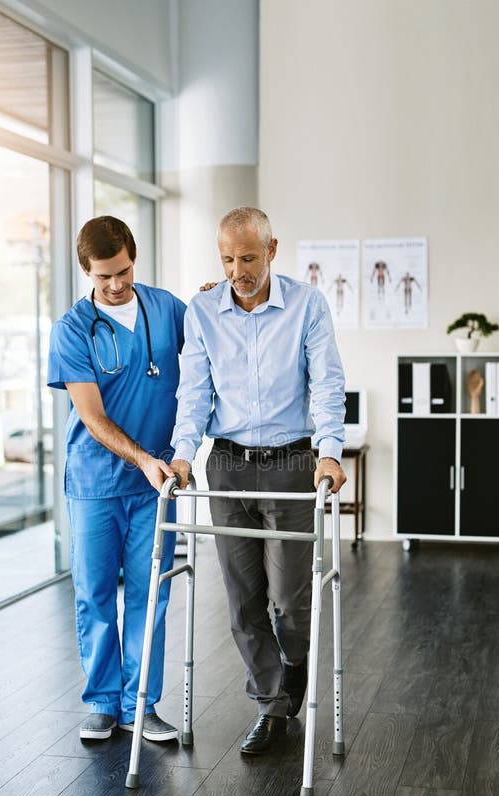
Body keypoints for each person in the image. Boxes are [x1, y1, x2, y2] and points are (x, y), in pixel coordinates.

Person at [170, 207, 346, 755]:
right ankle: (271, 706)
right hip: (226, 464)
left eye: (248, 257)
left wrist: (330, 452)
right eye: (226, 259)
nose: (237, 270)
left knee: (292, 603)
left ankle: (293, 666)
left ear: (272, 249)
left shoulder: (307, 305)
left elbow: (328, 383)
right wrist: (181, 455)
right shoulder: (202, 310)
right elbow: (195, 392)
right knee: (243, 601)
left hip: (292, 463)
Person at [47, 216, 186, 743]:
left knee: (150, 595)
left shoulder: (168, 308)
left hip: (157, 483)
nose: (116, 284)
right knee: (96, 593)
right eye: (104, 276)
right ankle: (104, 701)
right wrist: (143, 458)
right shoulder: (73, 329)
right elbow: (93, 416)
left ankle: (142, 704)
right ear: (87, 270)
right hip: (95, 481)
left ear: (134, 257)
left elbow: (208, 350)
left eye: (123, 271)